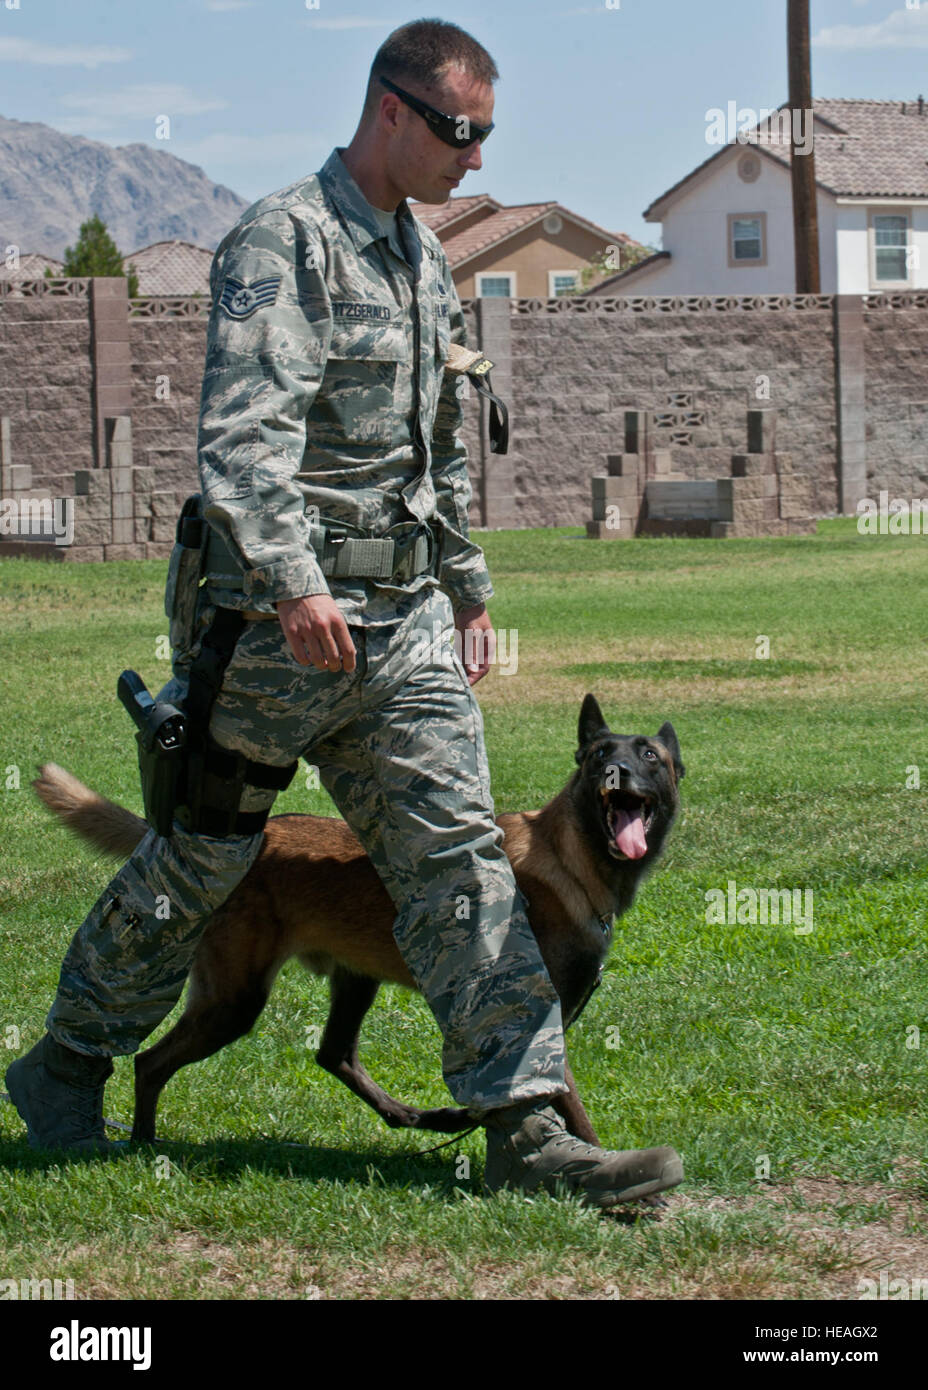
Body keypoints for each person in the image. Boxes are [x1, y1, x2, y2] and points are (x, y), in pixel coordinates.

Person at [6, 18, 682, 1208]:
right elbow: (241, 440)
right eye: (461, 132)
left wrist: (465, 583)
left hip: (401, 624)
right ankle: (65, 1065)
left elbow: (437, 450)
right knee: (199, 865)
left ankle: (527, 1130)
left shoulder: (421, 260)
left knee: (461, 861)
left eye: (485, 135)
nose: (476, 158)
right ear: (391, 111)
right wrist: (293, 578)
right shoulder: (285, 240)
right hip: (275, 628)